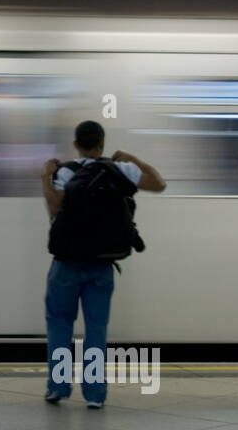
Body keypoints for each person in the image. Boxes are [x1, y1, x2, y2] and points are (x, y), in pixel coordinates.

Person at [40, 121, 164, 408]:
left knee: (60, 324)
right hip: (103, 264)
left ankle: (58, 387)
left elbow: (54, 207)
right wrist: (134, 159)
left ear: (76, 144)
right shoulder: (120, 169)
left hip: (66, 264)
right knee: (96, 329)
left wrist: (45, 178)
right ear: (102, 143)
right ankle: (95, 394)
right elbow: (158, 183)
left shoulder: (66, 171)